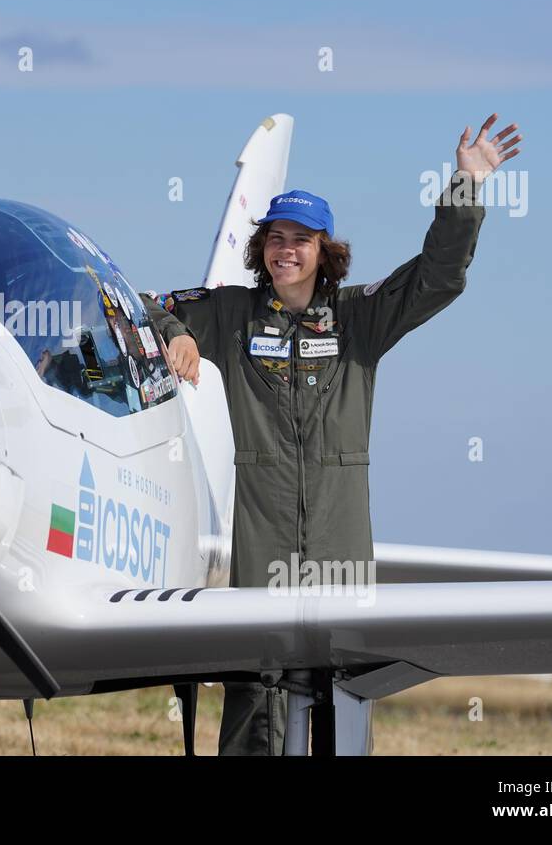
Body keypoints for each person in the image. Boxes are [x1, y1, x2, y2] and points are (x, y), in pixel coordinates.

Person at [143, 114, 522, 755]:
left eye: (301, 239)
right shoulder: (231, 313)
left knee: (341, 690)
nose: (285, 250)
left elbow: (439, 276)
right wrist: (177, 333)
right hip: (261, 544)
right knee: (255, 688)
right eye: (274, 237)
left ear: (325, 251)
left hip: (341, 548)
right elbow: (138, 303)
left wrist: (466, 183)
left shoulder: (360, 316)